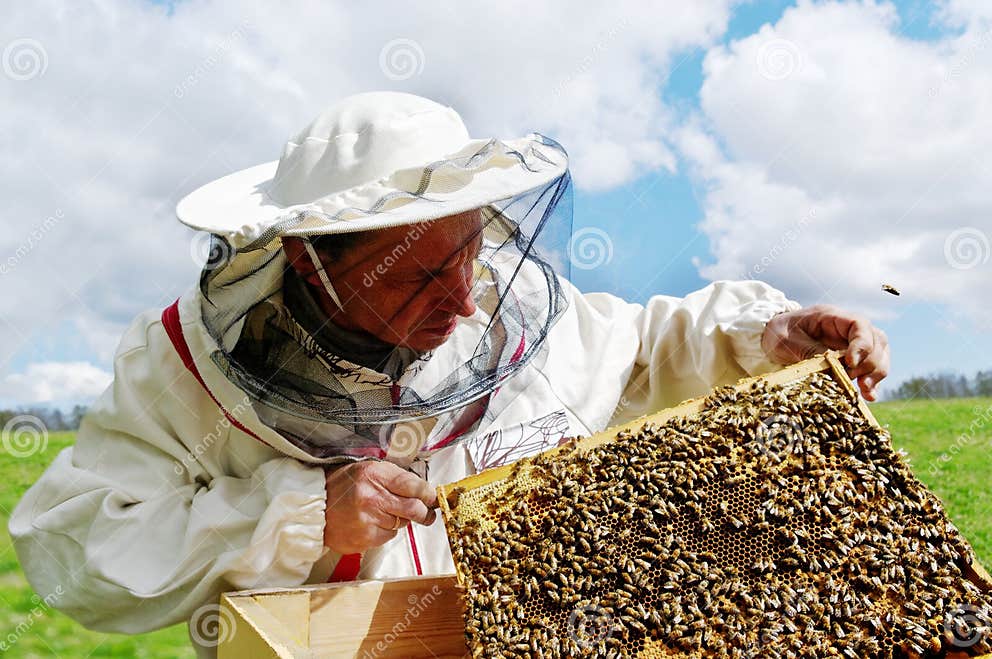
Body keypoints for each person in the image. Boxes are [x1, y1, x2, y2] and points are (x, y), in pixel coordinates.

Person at [8, 92, 889, 656]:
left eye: (469, 252)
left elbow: (640, 348)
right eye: (419, 275)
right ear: (314, 265)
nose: (465, 300)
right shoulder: (178, 368)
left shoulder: (504, 309)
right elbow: (68, 550)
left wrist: (768, 334)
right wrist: (300, 510)